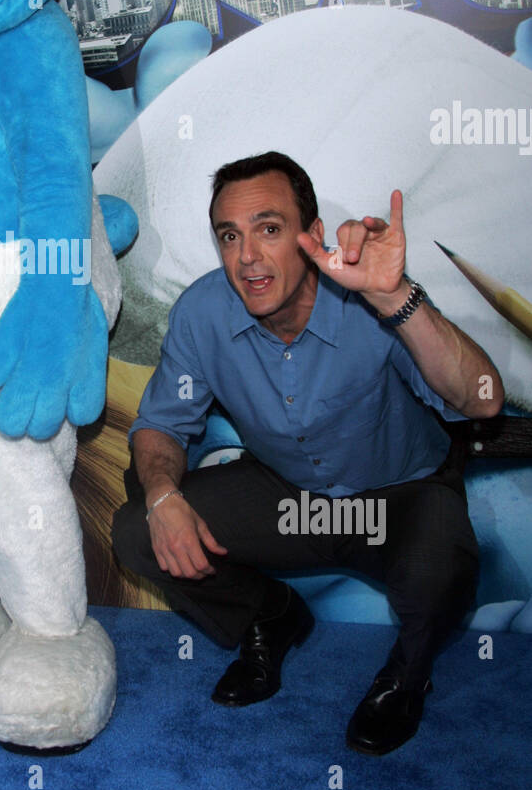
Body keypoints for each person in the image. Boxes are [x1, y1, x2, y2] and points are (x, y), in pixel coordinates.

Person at [112, 150, 503, 755]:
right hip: (289, 499)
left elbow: (482, 400)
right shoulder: (203, 311)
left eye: (268, 229)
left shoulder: (372, 301)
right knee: (140, 527)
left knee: (442, 569)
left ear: (312, 235)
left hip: (399, 499)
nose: (247, 257)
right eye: (229, 236)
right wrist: (164, 496)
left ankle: (407, 673)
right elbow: (160, 423)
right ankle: (271, 615)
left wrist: (395, 295)